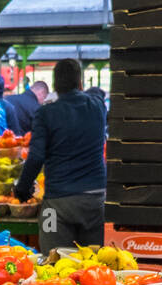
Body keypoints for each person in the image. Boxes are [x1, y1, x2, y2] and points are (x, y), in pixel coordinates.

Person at [11, 58, 106, 253]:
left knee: (52, 259)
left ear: (54, 85)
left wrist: (22, 189)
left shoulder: (45, 114)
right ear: (80, 83)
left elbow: (36, 157)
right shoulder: (98, 108)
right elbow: (97, 94)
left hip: (56, 206)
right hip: (95, 203)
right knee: (94, 262)